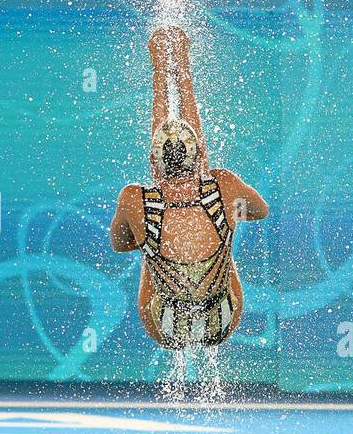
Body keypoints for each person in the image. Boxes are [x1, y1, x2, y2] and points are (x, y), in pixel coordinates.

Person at [110, 26, 268, 373]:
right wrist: (219, 211)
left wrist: (155, 230)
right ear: (198, 155)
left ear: (153, 160)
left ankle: (163, 67)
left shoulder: (133, 198)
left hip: (163, 326)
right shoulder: (223, 183)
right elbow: (260, 211)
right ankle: (181, 66)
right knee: (217, 208)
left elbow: (121, 245)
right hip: (225, 319)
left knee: (149, 231)